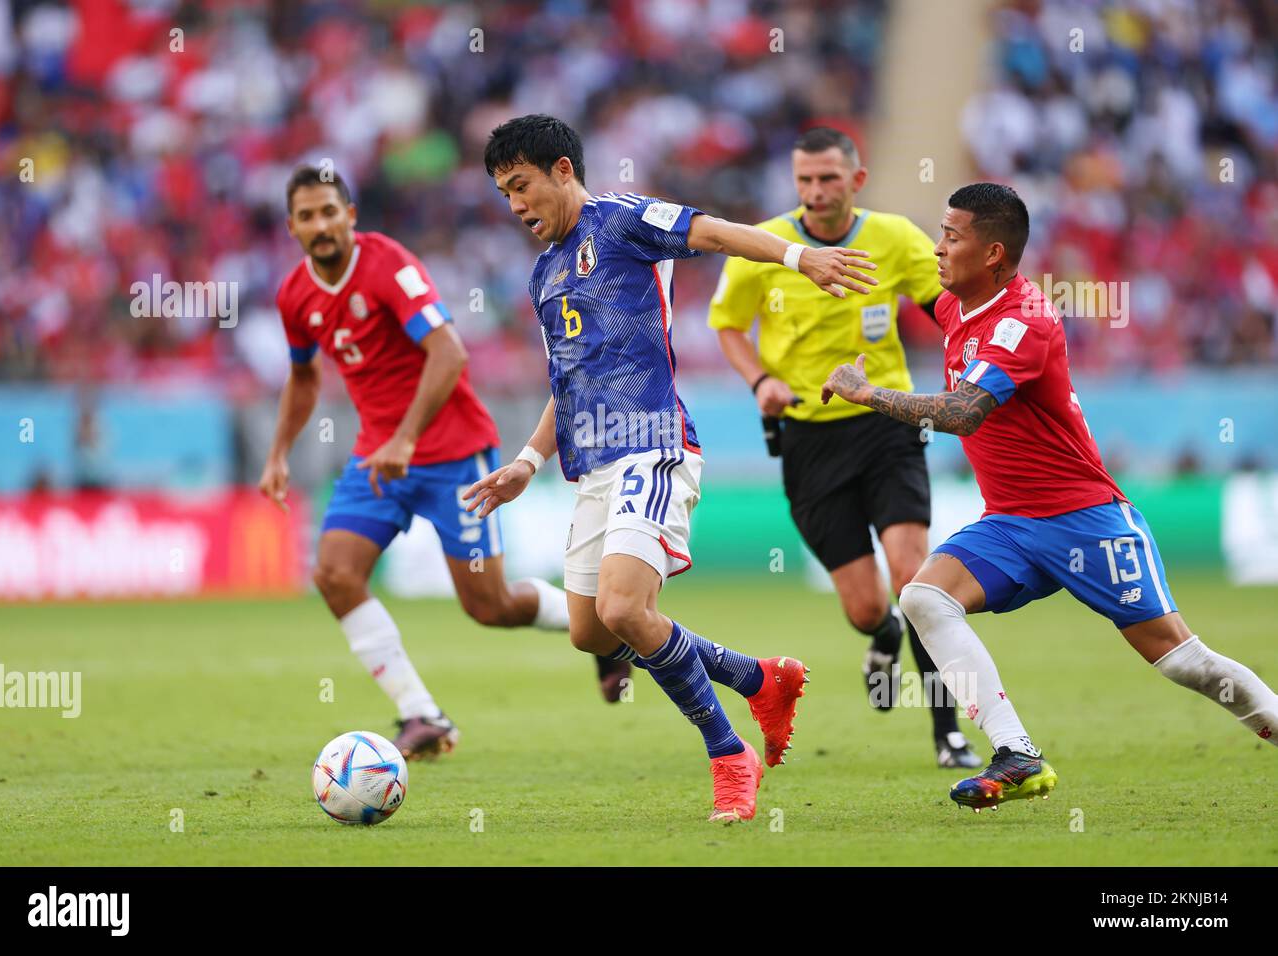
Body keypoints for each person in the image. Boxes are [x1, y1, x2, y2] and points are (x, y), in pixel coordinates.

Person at [465, 114, 878, 821]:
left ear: (563, 170)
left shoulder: (621, 219)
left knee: (628, 609)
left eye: (522, 185)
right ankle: (759, 678)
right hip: (590, 465)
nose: (516, 206)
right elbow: (566, 381)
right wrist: (529, 461)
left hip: (651, 445)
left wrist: (796, 258)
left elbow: (712, 231)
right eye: (505, 194)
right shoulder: (543, 275)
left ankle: (728, 754)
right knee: (593, 632)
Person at [820, 182, 1278, 811]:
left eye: (952, 237)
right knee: (924, 597)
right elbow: (906, 282)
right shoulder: (957, 307)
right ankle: (1017, 754)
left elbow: (961, 413)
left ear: (994, 254)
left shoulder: (1025, 321)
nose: (938, 248)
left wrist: (867, 393)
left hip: (1085, 519)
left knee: (1184, 663)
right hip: (1010, 522)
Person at [259, 165, 570, 761]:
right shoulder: (294, 295)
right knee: (334, 574)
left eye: (330, 211)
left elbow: (449, 353)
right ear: (292, 227)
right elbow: (302, 376)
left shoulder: (388, 266)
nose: (320, 224)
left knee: (490, 606)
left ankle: (597, 628)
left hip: (453, 454)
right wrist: (277, 454)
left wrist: (406, 438)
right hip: (379, 460)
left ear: (349, 216)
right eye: (307, 216)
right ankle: (421, 714)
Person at [708, 125, 977, 768]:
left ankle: (950, 735)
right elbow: (726, 325)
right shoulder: (766, 245)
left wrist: (973, 359)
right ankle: (881, 635)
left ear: (856, 180)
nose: (815, 190)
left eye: (828, 178)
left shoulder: (894, 238)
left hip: (887, 425)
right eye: (805, 179)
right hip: (806, 437)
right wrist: (761, 379)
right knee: (865, 607)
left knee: (915, 579)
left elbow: (947, 306)